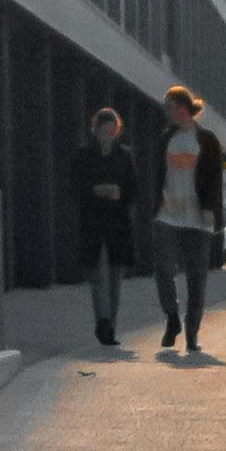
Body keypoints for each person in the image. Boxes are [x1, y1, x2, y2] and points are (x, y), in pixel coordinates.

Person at [150, 85, 223, 357]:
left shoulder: (207, 140)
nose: (170, 112)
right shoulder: (165, 139)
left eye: (173, 106)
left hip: (198, 220)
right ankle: (172, 318)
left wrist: (211, 210)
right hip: (167, 215)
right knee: (164, 270)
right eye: (167, 108)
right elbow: (156, 173)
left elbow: (215, 178)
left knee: (197, 280)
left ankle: (192, 335)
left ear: (185, 107)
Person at [76, 102, 140, 352]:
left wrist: (119, 192)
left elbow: (134, 190)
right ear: (96, 130)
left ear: (117, 131)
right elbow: (74, 187)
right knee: (98, 277)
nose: (108, 134)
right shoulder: (83, 155)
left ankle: (110, 324)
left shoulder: (125, 156)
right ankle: (103, 324)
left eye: (112, 130)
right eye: (104, 130)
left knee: (115, 279)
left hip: (118, 224)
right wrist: (95, 190)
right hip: (93, 222)